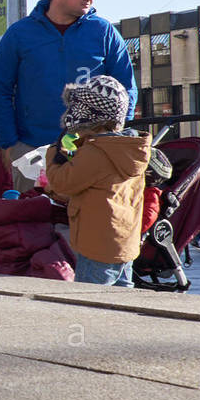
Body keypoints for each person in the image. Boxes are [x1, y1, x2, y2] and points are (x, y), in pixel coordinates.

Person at [0, 0, 137, 191]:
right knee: (34, 223)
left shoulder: (104, 32)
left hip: (89, 150)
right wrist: (10, 145)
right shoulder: (19, 34)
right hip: (32, 149)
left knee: (86, 224)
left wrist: (112, 133)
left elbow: (126, 87)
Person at [44, 76, 151, 286]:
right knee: (121, 300)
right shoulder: (128, 148)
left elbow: (62, 183)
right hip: (123, 244)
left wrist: (54, 152)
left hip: (97, 246)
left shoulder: (96, 153)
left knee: (91, 298)